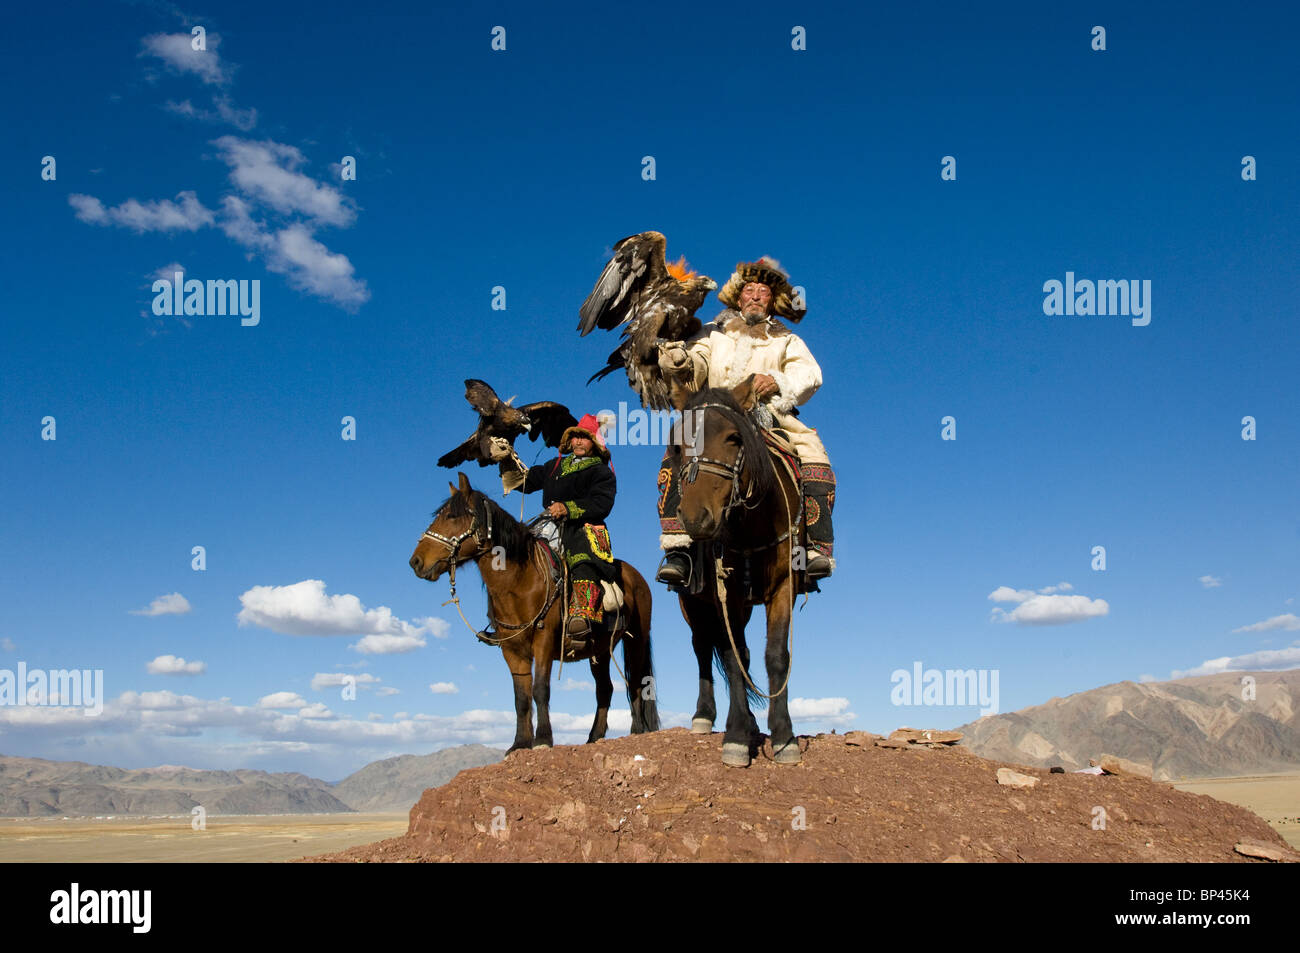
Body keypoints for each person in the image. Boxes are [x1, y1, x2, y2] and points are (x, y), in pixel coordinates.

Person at [655, 256, 836, 584]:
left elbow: (810, 374)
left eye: (762, 291)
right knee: (674, 458)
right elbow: (697, 365)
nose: (755, 295)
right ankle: (679, 550)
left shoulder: (786, 340)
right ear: (738, 297)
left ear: (772, 300)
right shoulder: (712, 332)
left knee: (815, 458)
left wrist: (778, 381)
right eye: (749, 290)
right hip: (716, 417)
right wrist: (681, 361)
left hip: (769, 414)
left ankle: (814, 551)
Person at [507, 414, 618, 651]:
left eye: (584, 438)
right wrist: (505, 457)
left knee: (581, 556)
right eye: (575, 437)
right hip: (547, 525)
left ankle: (582, 615)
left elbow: (602, 503)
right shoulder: (553, 466)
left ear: (595, 443)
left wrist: (567, 507)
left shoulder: (601, 472)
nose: (578, 442)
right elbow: (524, 482)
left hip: (585, 528)